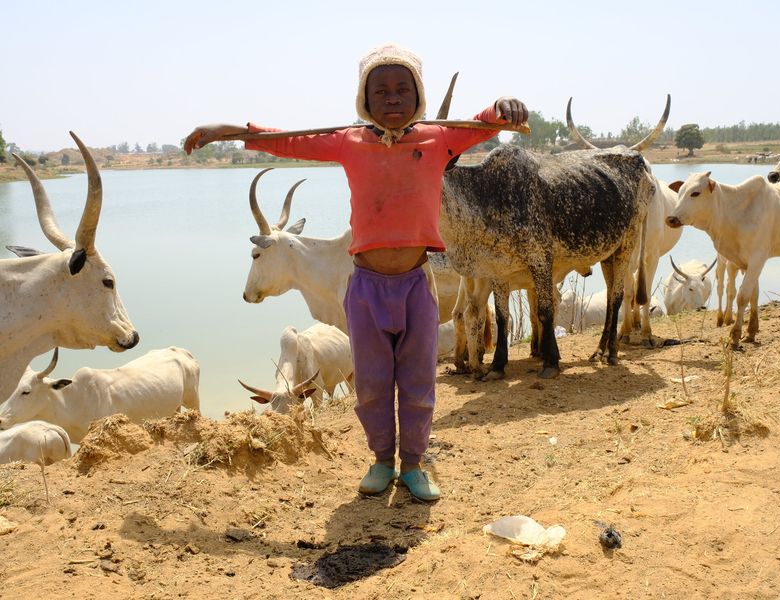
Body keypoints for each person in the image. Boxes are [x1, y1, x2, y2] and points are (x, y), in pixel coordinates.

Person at [184, 43, 527, 501]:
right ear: (364, 98)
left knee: (419, 383)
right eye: (380, 89)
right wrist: (224, 130)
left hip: (415, 285)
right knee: (370, 385)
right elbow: (290, 140)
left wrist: (502, 107)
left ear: (418, 95)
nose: (392, 97)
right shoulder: (349, 141)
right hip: (364, 289)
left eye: (402, 88)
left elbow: (486, 124)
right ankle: (383, 461)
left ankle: (414, 465)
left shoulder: (439, 137)